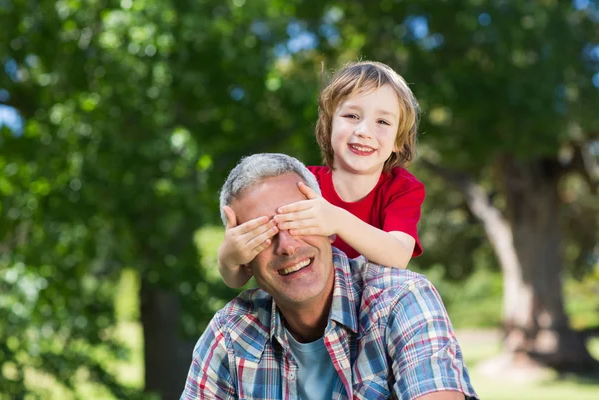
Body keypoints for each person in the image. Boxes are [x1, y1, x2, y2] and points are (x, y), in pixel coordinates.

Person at [181, 153, 478, 400]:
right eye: (262, 235)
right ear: (243, 260)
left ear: (330, 227)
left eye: (298, 220)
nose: (287, 246)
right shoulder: (231, 335)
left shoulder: (401, 301)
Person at [218, 61, 425, 288]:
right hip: (306, 304)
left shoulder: (402, 188)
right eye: (352, 116)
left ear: (398, 140)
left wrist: (337, 220)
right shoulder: (301, 184)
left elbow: (398, 256)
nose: (364, 131)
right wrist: (229, 257)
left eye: (383, 121)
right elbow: (239, 279)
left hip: (375, 307)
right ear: (329, 126)